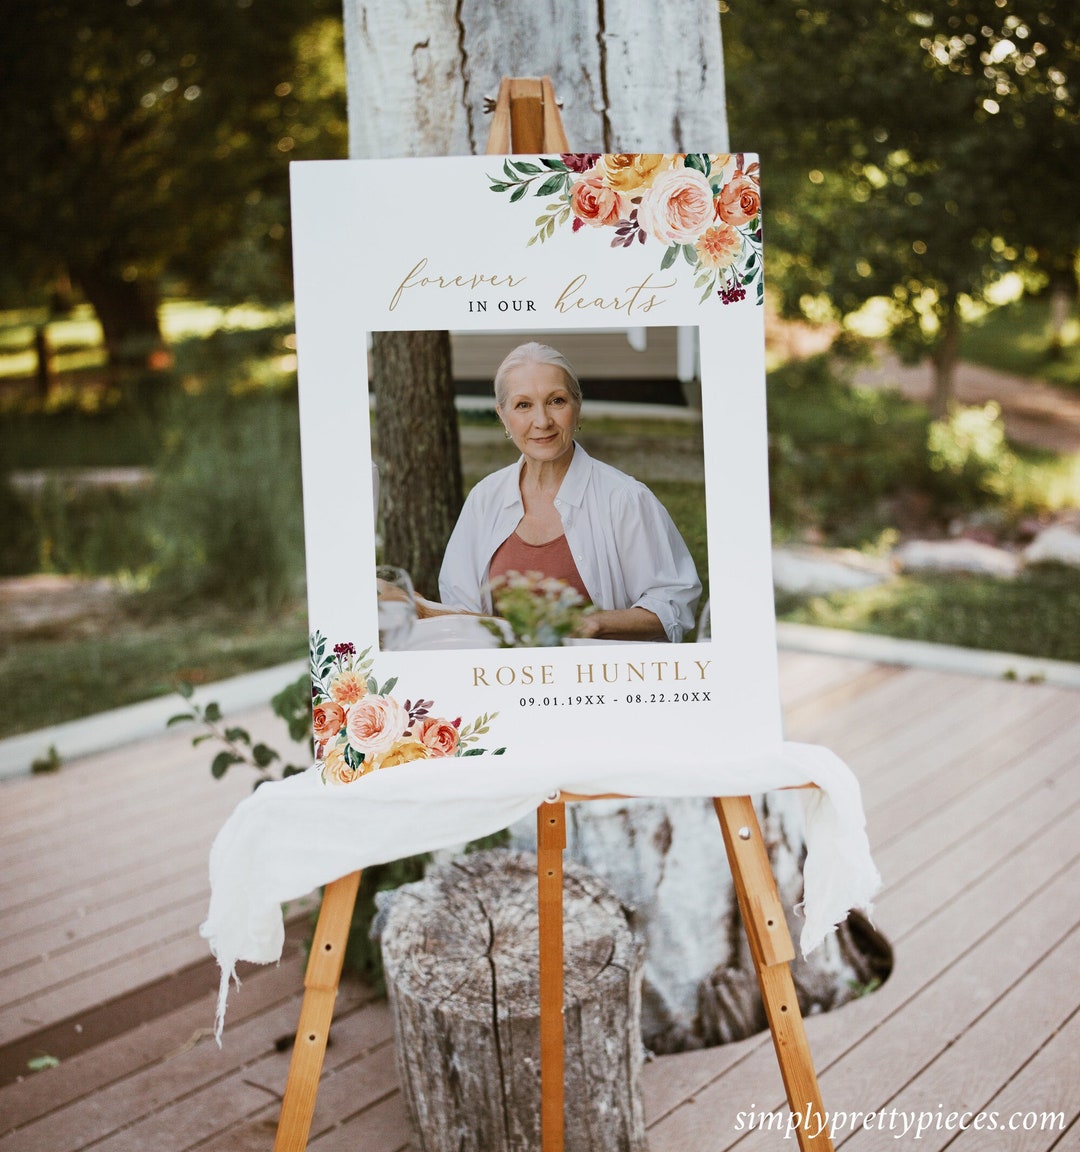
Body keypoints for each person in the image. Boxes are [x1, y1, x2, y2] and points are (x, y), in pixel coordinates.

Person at [438, 342, 701, 642]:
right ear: (503, 415)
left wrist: (595, 624)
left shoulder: (625, 500)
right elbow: (458, 607)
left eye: (556, 401)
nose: (542, 421)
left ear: (577, 405)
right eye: (523, 405)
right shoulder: (484, 499)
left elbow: (674, 604)